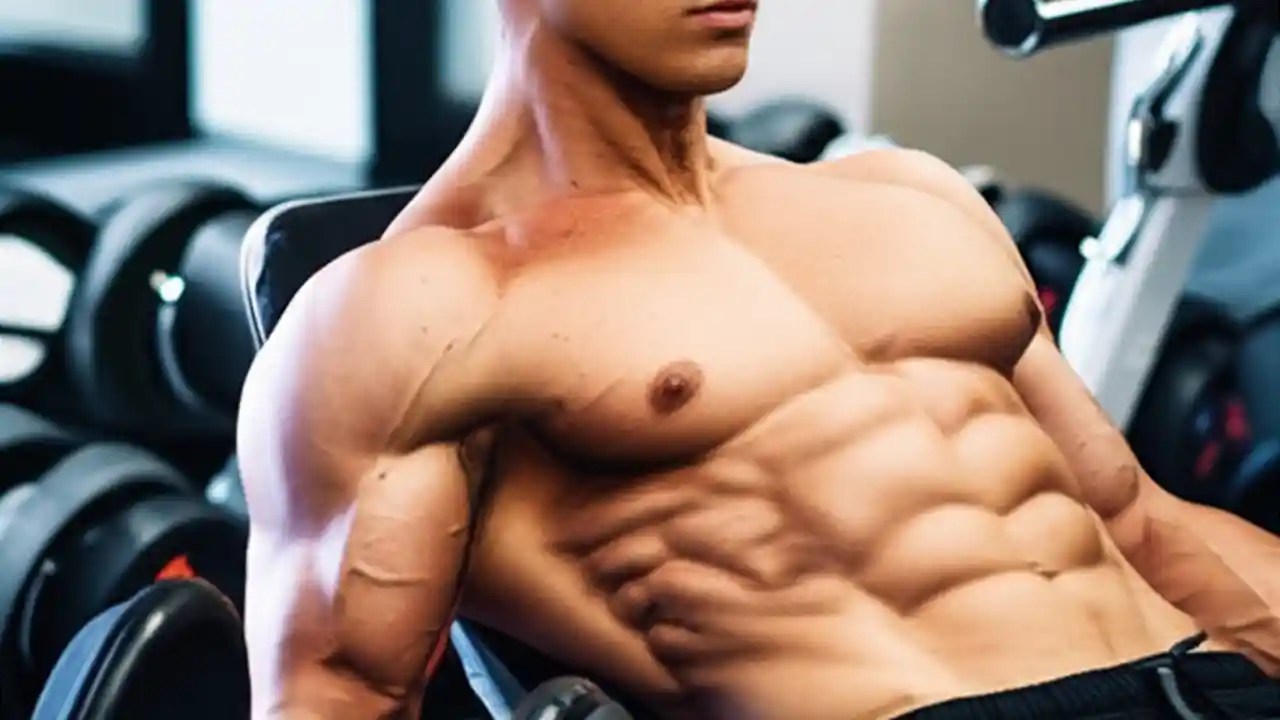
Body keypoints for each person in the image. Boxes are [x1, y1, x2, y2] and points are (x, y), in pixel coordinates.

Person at [235, 1, 1280, 718]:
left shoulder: (906, 197)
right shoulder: (412, 310)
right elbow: (340, 697)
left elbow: (1138, 519)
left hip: (1207, 685)